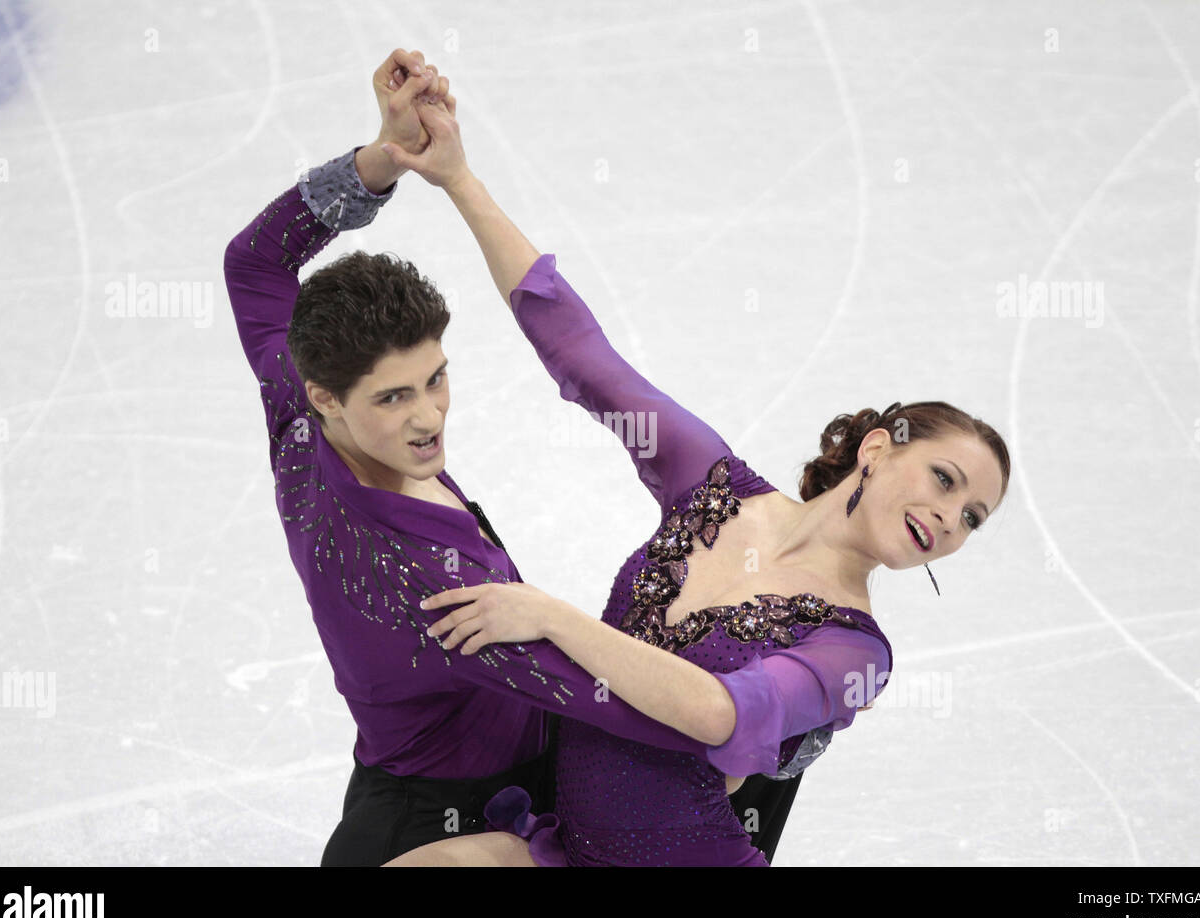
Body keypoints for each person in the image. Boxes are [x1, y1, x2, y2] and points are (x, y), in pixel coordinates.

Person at [380, 82, 1010, 866]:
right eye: (946, 480)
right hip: (567, 846)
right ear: (879, 448)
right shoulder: (714, 489)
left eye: (974, 517)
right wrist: (459, 180)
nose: (952, 519)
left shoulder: (856, 653)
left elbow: (718, 712)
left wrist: (552, 617)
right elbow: (585, 360)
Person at [222, 49, 809, 867]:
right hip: (439, 819)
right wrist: (776, 728)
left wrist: (383, 160)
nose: (429, 418)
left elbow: (252, 263)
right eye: (394, 399)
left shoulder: (302, 407)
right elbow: (611, 704)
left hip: (502, 763)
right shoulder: (422, 580)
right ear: (328, 397)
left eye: (435, 378)